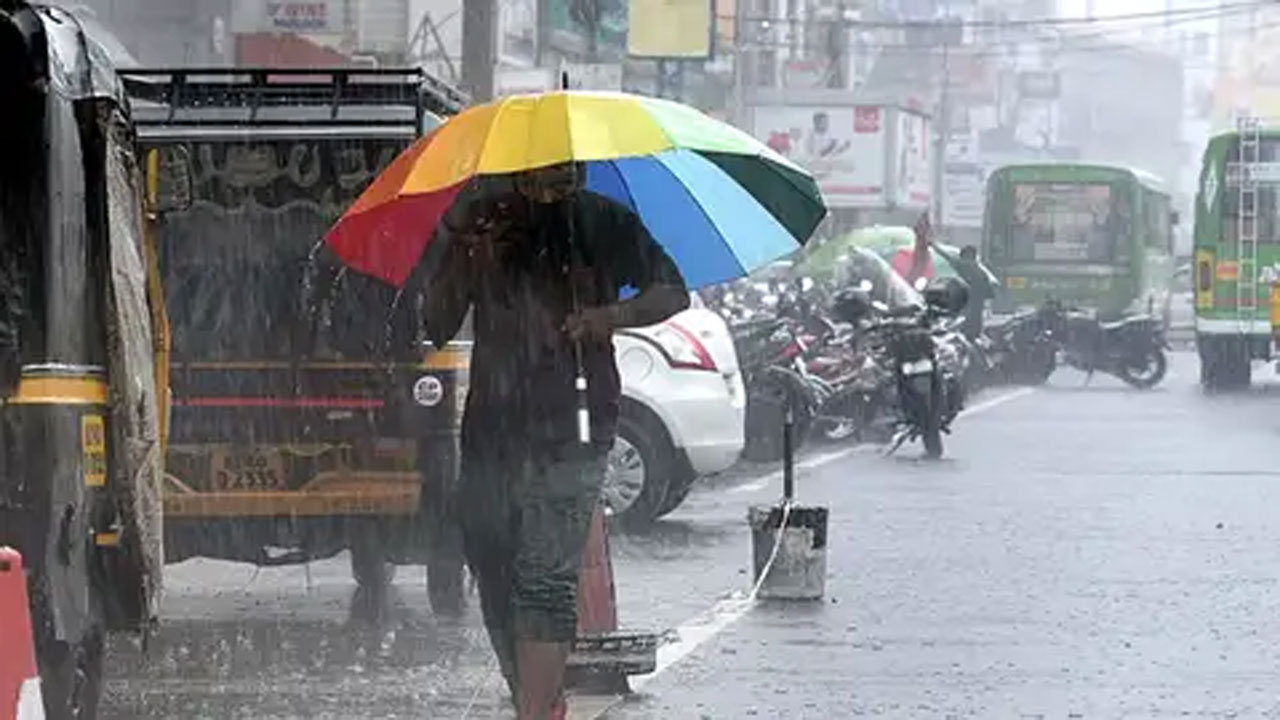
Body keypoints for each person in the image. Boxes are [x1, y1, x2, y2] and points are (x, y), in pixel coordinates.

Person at [422, 162, 689, 720]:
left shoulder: (601, 221)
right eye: (544, 168)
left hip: (576, 421)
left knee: (544, 575)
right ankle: (535, 695)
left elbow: (672, 292)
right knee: (492, 565)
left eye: (569, 167)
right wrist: (467, 261)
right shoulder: (480, 220)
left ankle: (535, 709)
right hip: (492, 428)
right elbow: (437, 321)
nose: (558, 177)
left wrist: (609, 316)